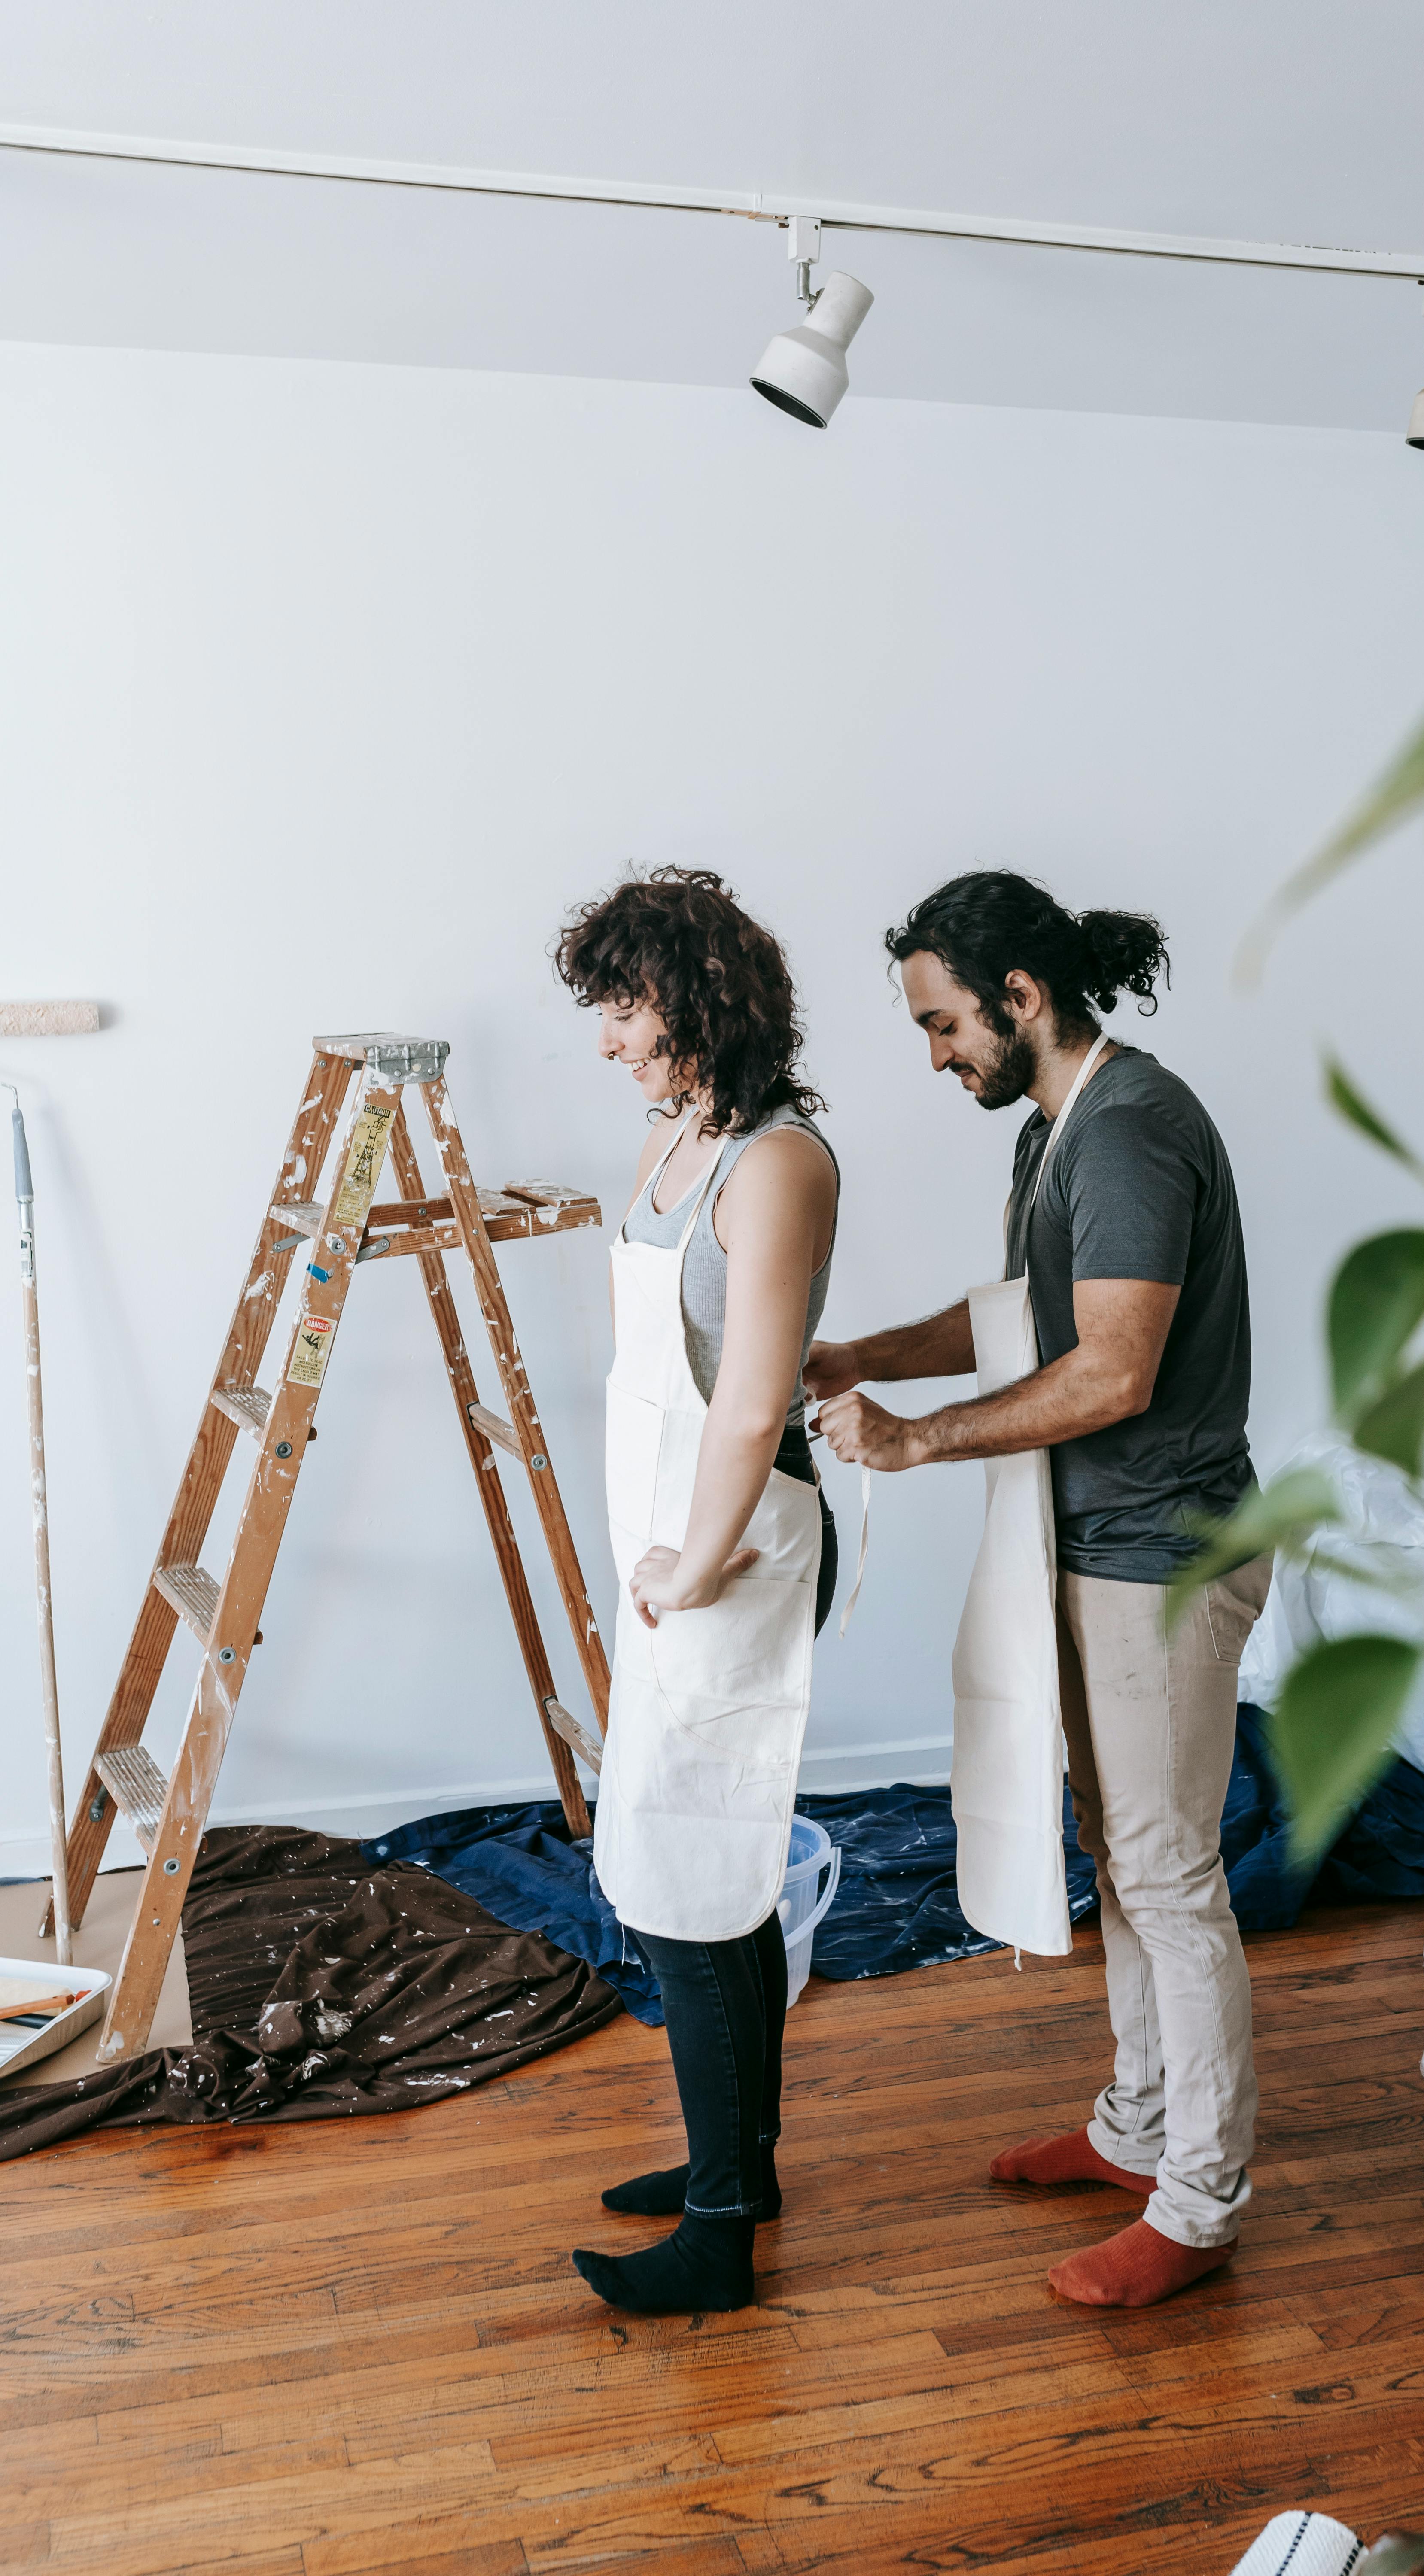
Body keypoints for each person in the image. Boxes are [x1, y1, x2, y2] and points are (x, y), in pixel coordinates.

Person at [812, 870, 1270, 2311]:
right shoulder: (1050, 1134)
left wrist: (914, 1438)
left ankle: (1200, 2204)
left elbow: (1113, 1369)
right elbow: (1018, 1318)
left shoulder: (1133, 1131)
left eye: (945, 1024)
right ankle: (1139, 2128)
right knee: (1119, 1851)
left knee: (1169, 1875)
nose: (936, 1056)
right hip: (1093, 1546)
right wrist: (855, 1360)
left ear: (1024, 997)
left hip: (1165, 1554)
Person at [555, 866, 840, 2316]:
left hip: (743, 1543)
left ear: (697, 1000)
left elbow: (750, 1404)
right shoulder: (680, 1135)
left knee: (699, 1879)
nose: (606, 1040)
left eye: (623, 1007)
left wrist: (705, 1558)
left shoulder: (776, 1165)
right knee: (684, 1858)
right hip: (676, 1550)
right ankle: (743, 2159)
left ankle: (722, 2229)